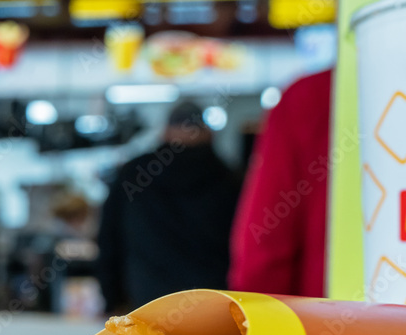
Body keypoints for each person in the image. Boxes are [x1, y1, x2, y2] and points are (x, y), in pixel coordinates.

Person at [96, 101, 241, 313]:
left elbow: (108, 242)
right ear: (208, 132)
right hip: (215, 310)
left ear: (165, 132)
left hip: (146, 307)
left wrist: (111, 299)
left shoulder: (134, 175)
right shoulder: (231, 180)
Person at [228, 69, 332, 297]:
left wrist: (257, 323)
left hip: (331, 321)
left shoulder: (311, 98)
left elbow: (263, 244)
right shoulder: (309, 97)